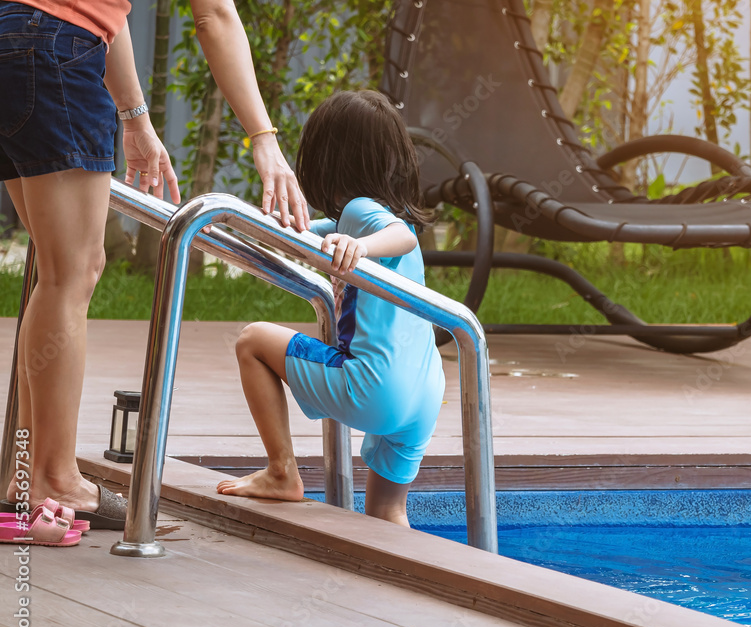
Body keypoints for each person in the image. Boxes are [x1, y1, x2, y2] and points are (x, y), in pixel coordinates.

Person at [0, 0, 310, 533]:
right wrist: (264, 140)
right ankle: (54, 478)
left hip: (13, 40)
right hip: (53, 53)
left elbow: (103, 12)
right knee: (70, 273)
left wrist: (135, 117)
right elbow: (214, 15)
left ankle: (29, 477)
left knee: (58, 272)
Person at [216, 90, 445, 528]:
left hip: (375, 384)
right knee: (388, 513)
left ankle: (282, 472)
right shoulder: (364, 216)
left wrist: (360, 246)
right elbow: (298, 234)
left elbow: (402, 237)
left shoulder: (364, 215)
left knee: (252, 342)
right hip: (423, 389)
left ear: (325, 157)